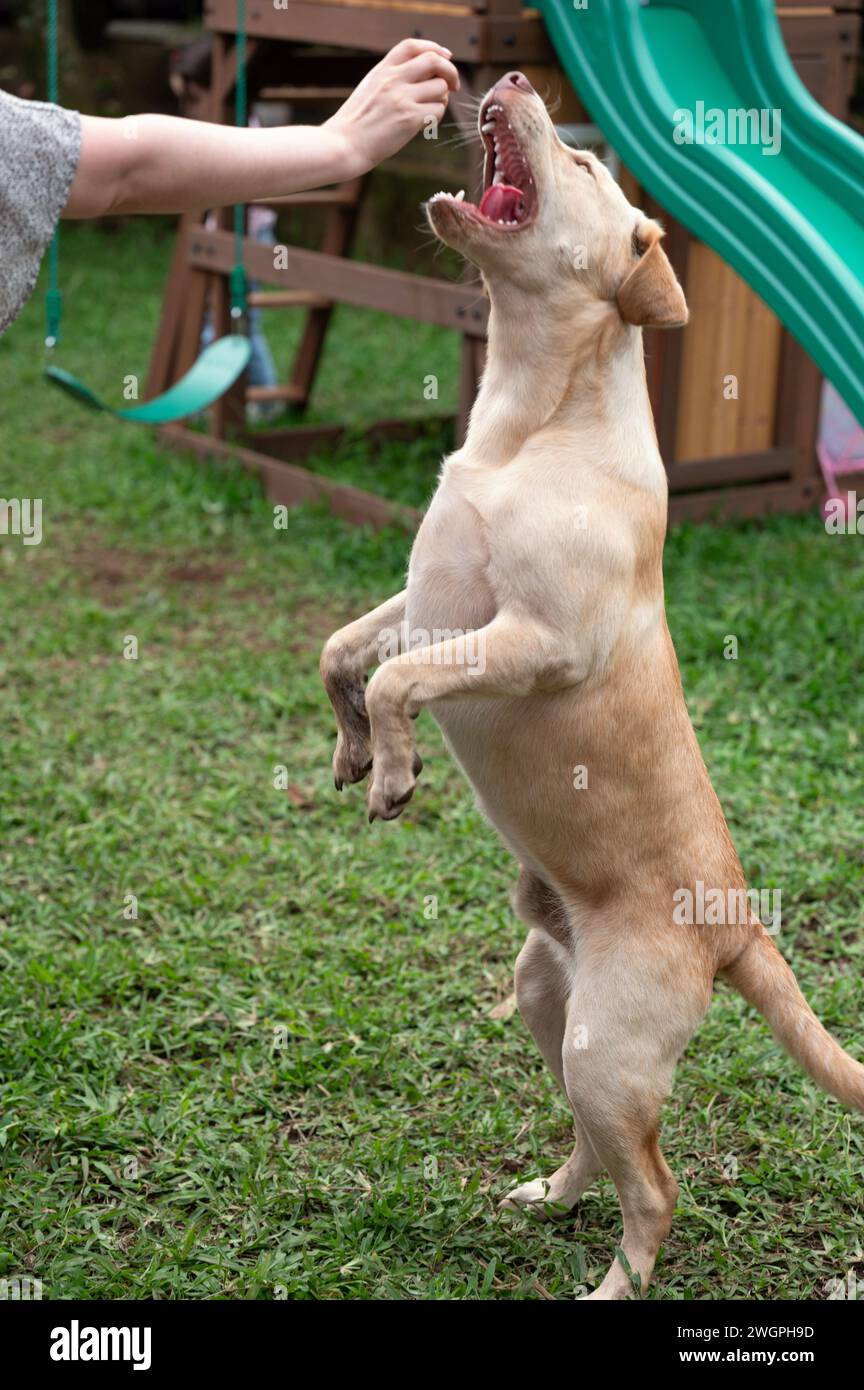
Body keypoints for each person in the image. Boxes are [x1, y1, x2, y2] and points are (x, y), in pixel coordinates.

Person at [0, 38, 459, 338]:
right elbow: (125, 167)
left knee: (242, 326)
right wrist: (339, 144)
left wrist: (339, 144)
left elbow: (127, 165)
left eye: (194, 96)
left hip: (252, 235)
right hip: (242, 231)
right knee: (230, 326)